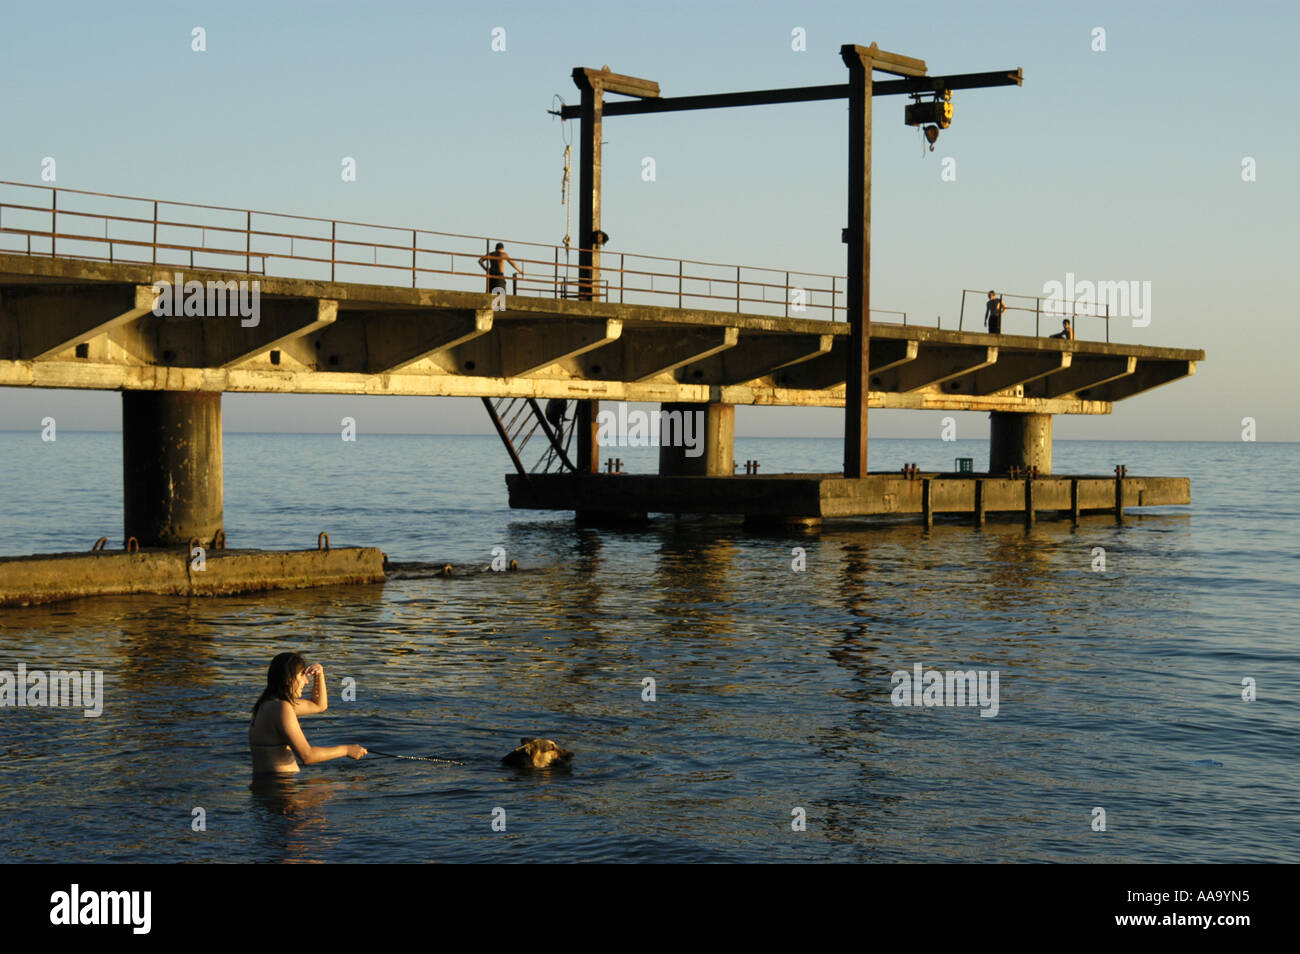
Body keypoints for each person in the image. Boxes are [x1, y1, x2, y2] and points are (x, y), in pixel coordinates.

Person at [249, 652, 366, 775]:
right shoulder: (281, 708)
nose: (306, 682)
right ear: (290, 678)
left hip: (272, 786)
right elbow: (307, 756)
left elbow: (319, 705)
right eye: (302, 675)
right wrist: (347, 750)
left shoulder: (269, 703)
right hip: (281, 788)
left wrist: (319, 674)